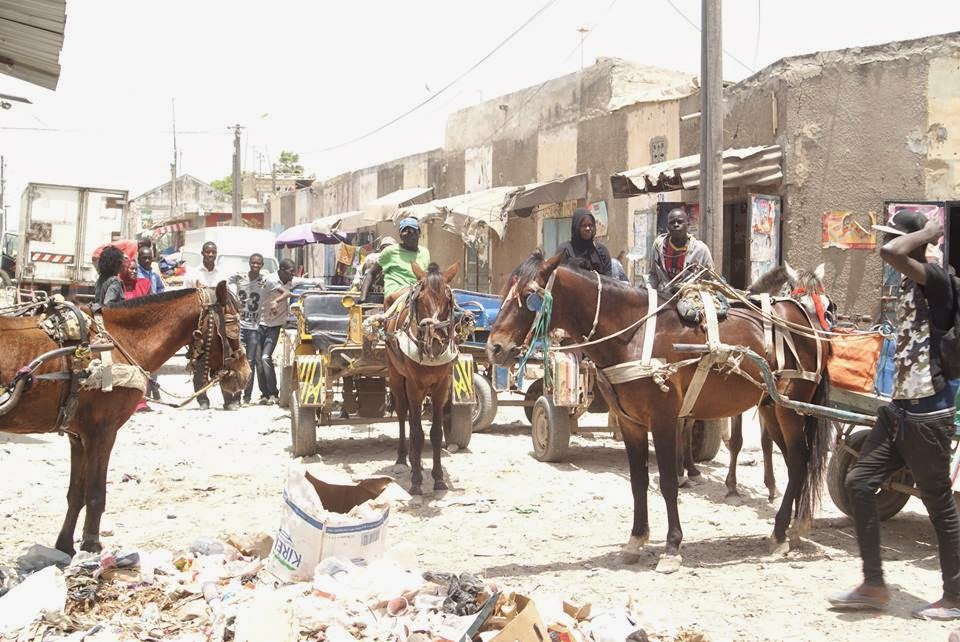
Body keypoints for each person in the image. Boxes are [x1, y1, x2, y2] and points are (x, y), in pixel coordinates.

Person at [830, 210, 960, 620]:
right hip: (900, 409)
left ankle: (955, 598)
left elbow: (890, 251)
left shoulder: (936, 281)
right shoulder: (907, 283)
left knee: (939, 506)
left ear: (916, 242)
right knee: (860, 482)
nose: (885, 244)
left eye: (897, 237)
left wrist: (928, 232)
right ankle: (874, 585)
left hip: (928, 413)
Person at [259, 259, 322, 404]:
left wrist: (318, 284)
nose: (293, 274)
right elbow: (286, 293)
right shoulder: (270, 280)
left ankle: (273, 393)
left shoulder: (290, 280)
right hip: (260, 323)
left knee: (265, 357)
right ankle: (264, 394)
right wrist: (276, 301)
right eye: (290, 271)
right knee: (258, 360)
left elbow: (309, 281)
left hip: (275, 325)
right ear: (281, 270)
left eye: (294, 271)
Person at [183, 242, 236, 410]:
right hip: (201, 320)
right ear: (202, 253)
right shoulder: (193, 274)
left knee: (226, 358)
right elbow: (186, 297)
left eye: (213, 252)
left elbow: (231, 295)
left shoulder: (224, 273)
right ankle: (203, 400)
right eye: (208, 252)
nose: (210, 255)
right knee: (199, 360)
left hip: (220, 319)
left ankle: (228, 399)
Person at [359, 218, 430, 305]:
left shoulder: (425, 252)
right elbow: (371, 273)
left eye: (412, 231)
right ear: (400, 236)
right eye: (405, 232)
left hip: (417, 295)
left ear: (419, 233)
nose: (409, 235)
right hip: (396, 298)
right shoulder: (390, 252)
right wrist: (363, 298)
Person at [648, 207, 714, 296]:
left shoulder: (700, 250)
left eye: (680, 222)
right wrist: (649, 293)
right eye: (672, 222)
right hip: (663, 297)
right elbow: (653, 275)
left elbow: (709, 279)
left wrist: (690, 288)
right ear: (667, 227)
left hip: (689, 298)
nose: (676, 225)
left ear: (687, 224)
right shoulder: (658, 246)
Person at [235, 254, 267, 406]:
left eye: (258, 263)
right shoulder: (239, 277)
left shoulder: (264, 281)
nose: (255, 265)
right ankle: (236, 394)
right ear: (249, 263)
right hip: (239, 326)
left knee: (251, 362)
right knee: (237, 360)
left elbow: (285, 285)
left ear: (262, 265)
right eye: (253, 262)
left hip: (254, 328)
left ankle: (247, 397)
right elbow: (221, 285)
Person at [556, 208, 612, 277]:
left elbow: (609, 279)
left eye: (590, 225)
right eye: (584, 225)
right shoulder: (565, 250)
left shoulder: (601, 251)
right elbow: (559, 278)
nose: (588, 229)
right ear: (576, 227)